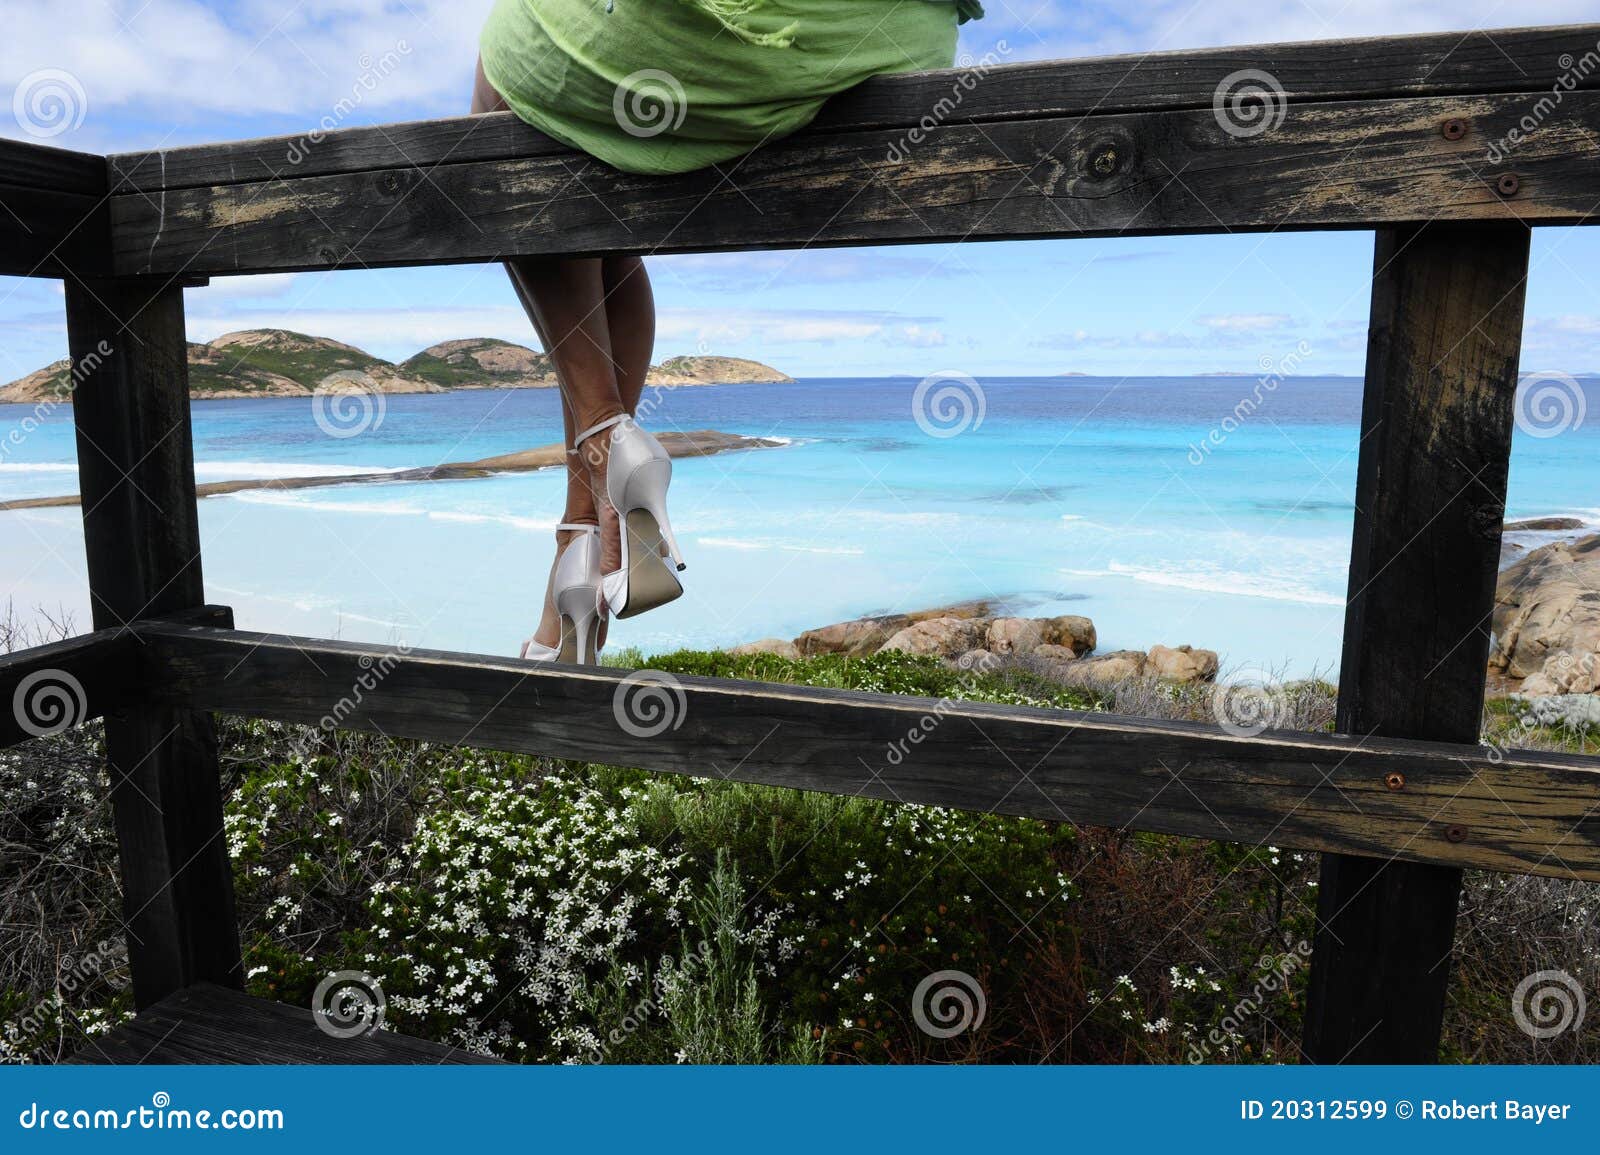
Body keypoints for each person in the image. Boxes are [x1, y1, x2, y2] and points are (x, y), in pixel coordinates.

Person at [472, 0, 984, 663]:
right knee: (592, 207)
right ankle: (580, 536)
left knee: (500, 79)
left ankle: (599, 461)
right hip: (895, 35)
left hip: (754, 26)